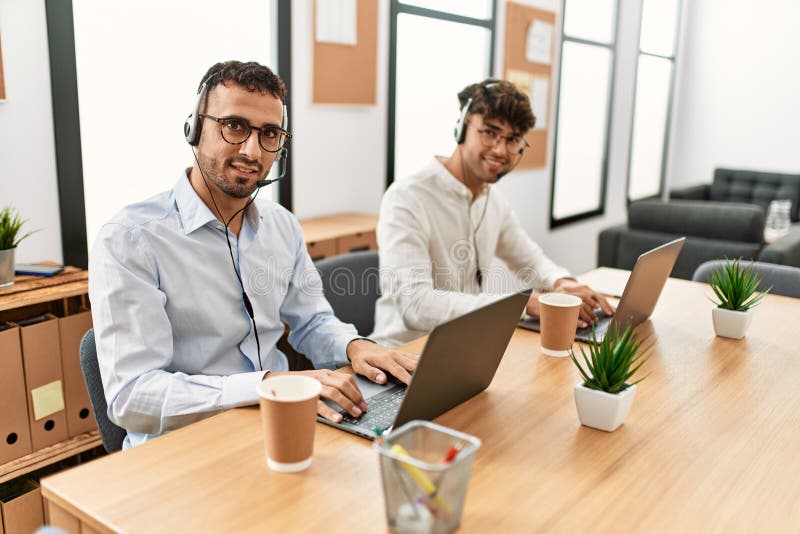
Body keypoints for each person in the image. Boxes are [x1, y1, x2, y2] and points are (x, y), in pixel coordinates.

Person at [89, 61, 417, 448]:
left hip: (278, 423)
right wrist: (266, 386)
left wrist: (354, 346)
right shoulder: (129, 240)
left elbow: (311, 321)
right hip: (185, 446)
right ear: (195, 127)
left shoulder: (281, 226)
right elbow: (132, 395)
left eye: (269, 133)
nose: (251, 150)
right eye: (234, 126)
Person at [371, 79, 614, 347]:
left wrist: (562, 283)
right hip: (400, 354)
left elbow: (530, 259)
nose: (500, 149)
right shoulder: (407, 197)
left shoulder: (491, 200)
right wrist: (526, 305)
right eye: (489, 132)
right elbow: (416, 304)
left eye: (512, 140)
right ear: (462, 127)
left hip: (464, 344)